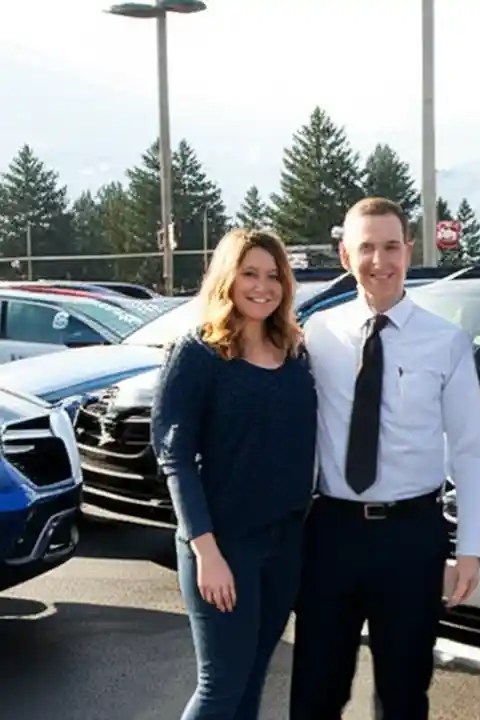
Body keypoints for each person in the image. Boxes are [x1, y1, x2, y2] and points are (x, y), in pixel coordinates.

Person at [290, 197, 480, 719]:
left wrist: (470, 549)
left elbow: (470, 450)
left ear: (408, 250)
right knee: (316, 689)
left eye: (390, 247)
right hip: (330, 534)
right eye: (365, 248)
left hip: (410, 538)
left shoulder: (445, 342)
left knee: (403, 694)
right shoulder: (317, 336)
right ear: (343, 255)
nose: (379, 260)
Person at [151, 228, 317, 720]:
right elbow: (174, 456)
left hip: (284, 545)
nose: (263, 286)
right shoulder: (199, 353)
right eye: (249, 274)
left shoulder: (294, 353)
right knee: (220, 687)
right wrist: (206, 552)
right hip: (223, 546)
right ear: (228, 278)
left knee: (251, 679)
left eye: (273, 276)